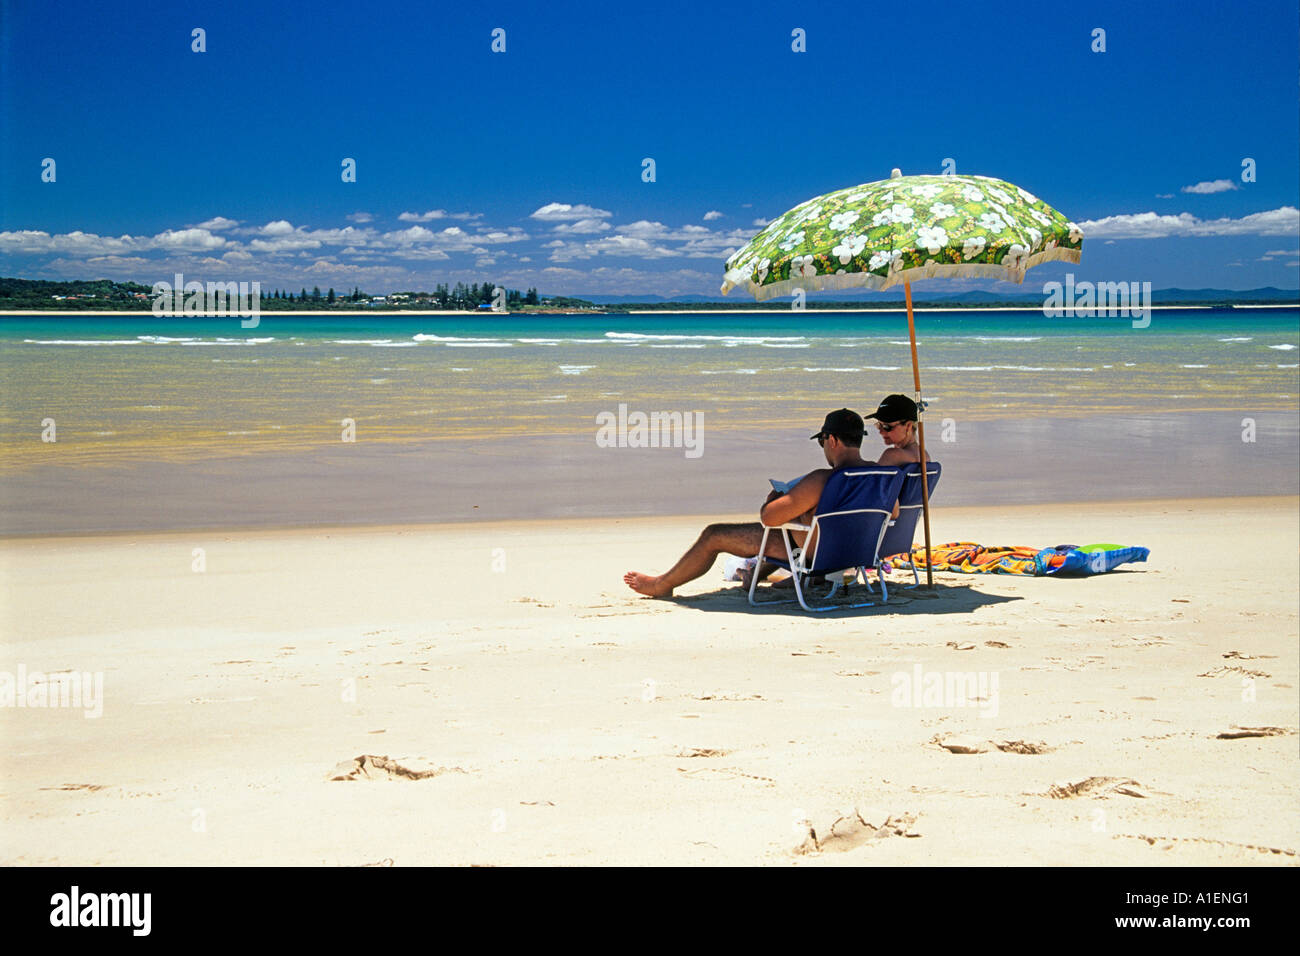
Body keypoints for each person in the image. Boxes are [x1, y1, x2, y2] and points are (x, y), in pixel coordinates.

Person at [623, 409, 879, 598]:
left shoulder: (823, 480)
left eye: (823, 441)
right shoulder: (880, 476)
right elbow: (893, 514)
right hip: (854, 554)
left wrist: (776, 498)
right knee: (799, 522)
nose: (824, 447)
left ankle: (661, 585)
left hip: (818, 555)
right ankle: (759, 574)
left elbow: (769, 518)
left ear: (831, 440)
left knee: (714, 534)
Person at [865, 394, 930, 466]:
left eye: (887, 427)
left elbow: (874, 477)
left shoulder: (893, 455)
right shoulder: (924, 456)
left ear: (908, 426)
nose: (881, 432)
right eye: (879, 425)